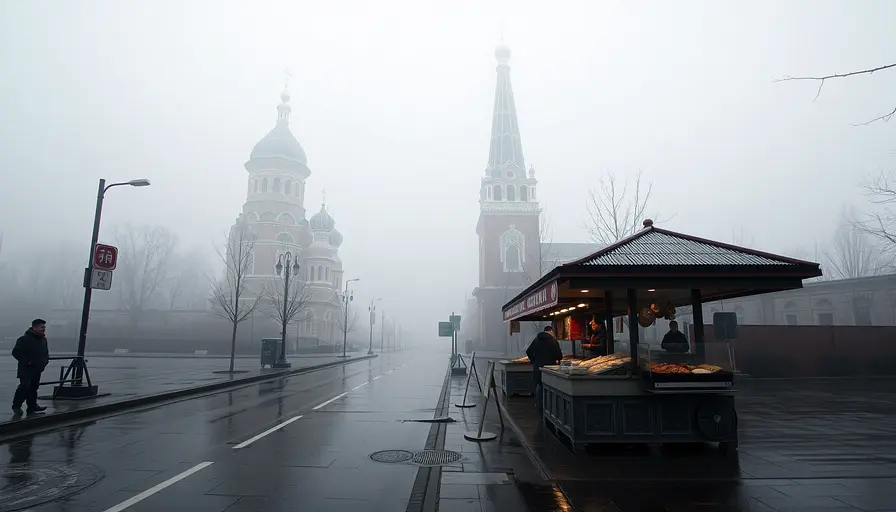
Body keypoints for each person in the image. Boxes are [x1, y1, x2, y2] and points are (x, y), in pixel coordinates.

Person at [12, 319, 50, 414]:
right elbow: (16, 352)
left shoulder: (43, 340)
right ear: (34, 327)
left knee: (34, 387)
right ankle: (16, 406)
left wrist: (44, 362)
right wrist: (27, 361)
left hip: (37, 369)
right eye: (42, 327)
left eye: (44, 327)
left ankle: (32, 406)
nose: (43, 329)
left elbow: (45, 353)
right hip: (26, 369)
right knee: (25, 386)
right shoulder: (24, 339)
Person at [526, 325, 562, 410]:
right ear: (551, 331)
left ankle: (539, 405)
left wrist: (534, 360)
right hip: (550, 367)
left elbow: (528, 351)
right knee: (549, 386)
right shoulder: (553, 341)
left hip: (537, 366)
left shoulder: (536, 339)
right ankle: (549, 406)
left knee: (539, 385)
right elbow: (559, 356)